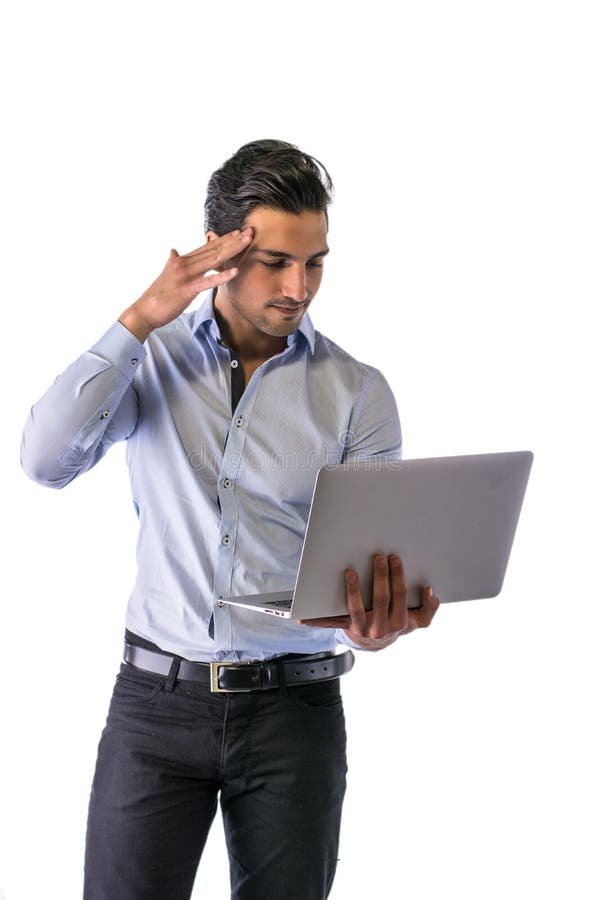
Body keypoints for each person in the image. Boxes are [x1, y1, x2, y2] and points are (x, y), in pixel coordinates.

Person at [21, 139, 440, 900]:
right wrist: (140, 318)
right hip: (155, 706)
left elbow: (367, 571)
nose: (299, 287)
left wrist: (373, 627)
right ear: (220, 251)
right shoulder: (149, 360)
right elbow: (45, 461)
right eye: (276, 261)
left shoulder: (358, 393)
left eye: (314, 263)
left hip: (296, 714)